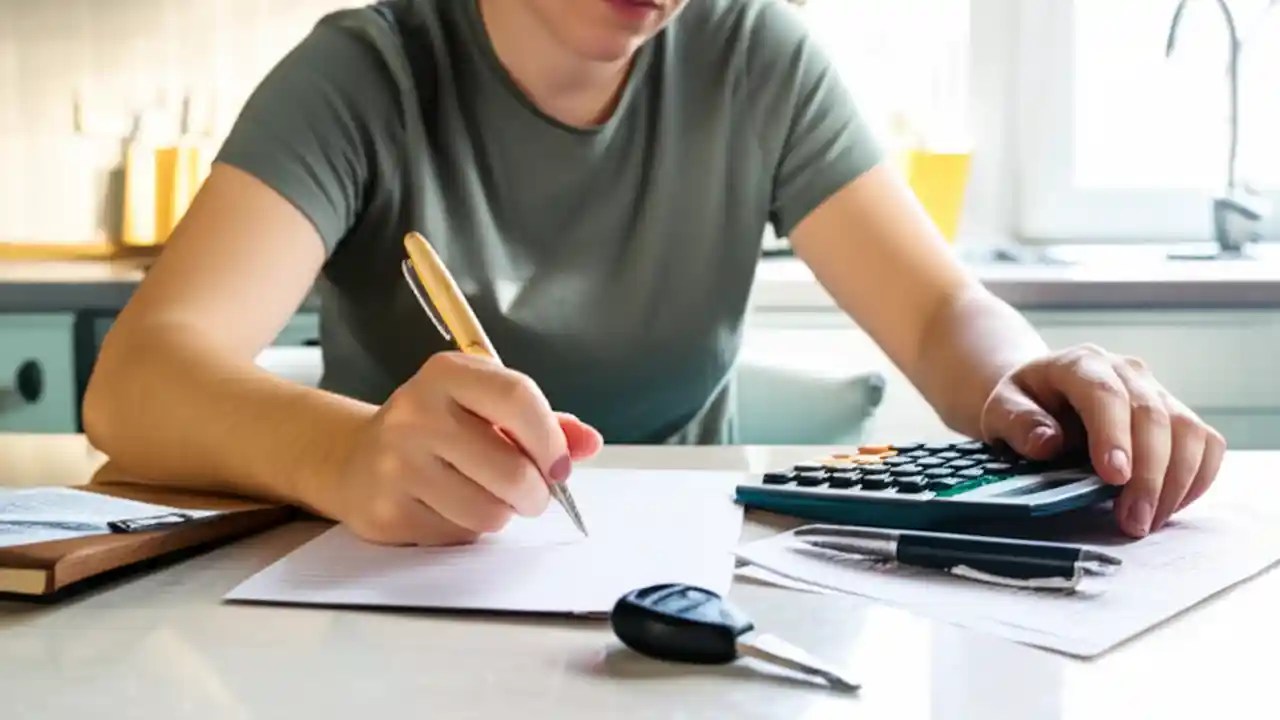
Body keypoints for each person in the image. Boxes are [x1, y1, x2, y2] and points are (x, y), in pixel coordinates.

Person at [83, 0, 1225, 547]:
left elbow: (936, 312)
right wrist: (342, 450)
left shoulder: (754, 58)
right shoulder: (363, 73)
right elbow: (137, 382)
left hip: (688, 581)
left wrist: (1029, 385)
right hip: (413, 571)